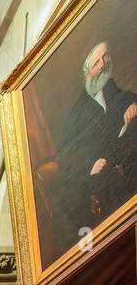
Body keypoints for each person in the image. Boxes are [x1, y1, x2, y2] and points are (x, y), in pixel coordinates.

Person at [58, 41, 137, 238]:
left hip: (125, 161)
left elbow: (125, 98)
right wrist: (89, 169)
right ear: (86, 72)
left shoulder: (108, 87)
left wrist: (133, 105)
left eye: (105, 57)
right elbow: (67, 161)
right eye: (96, 63)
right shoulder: (76, 116)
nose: (103, 64)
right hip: (103, 177)